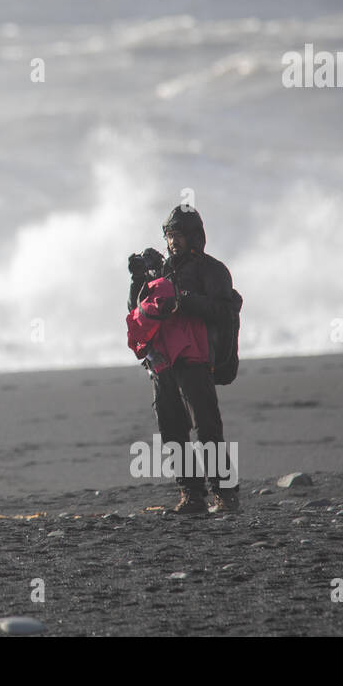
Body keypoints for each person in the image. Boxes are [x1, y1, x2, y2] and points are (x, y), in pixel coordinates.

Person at [128, 206, 240, 514]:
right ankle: (191, 495)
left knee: (207, 428)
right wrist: (138, 279)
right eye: (168, 236)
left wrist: (183, 298)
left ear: (194, 236)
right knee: (171, 427)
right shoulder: (162, 272)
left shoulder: (212, 270)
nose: (172, 242)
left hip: (196, 358)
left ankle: (227, 495)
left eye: (177, 235)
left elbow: (222, 310)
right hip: (163, 362)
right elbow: (138, 311)